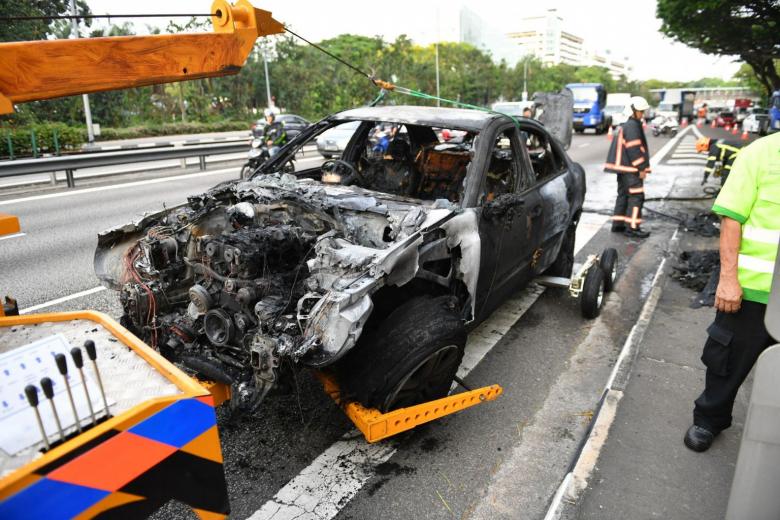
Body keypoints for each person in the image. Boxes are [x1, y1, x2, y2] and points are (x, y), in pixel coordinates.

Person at [684, 131, 780, 452]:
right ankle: (709, 419)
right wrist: (728, 280)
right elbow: (732, 220)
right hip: (754, 291)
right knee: (727, 361)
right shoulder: (761, 154)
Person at [604, 96, 652, 238]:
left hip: (623, 168)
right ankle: (632, 227)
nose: (642, 114)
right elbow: (634, 148)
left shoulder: (627, 124)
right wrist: (641, 168)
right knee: (636, 196)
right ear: (632, 111)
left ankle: (618, 224)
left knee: (623, 195)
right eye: (640, 111)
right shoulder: (632, 126)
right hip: (631, 169)